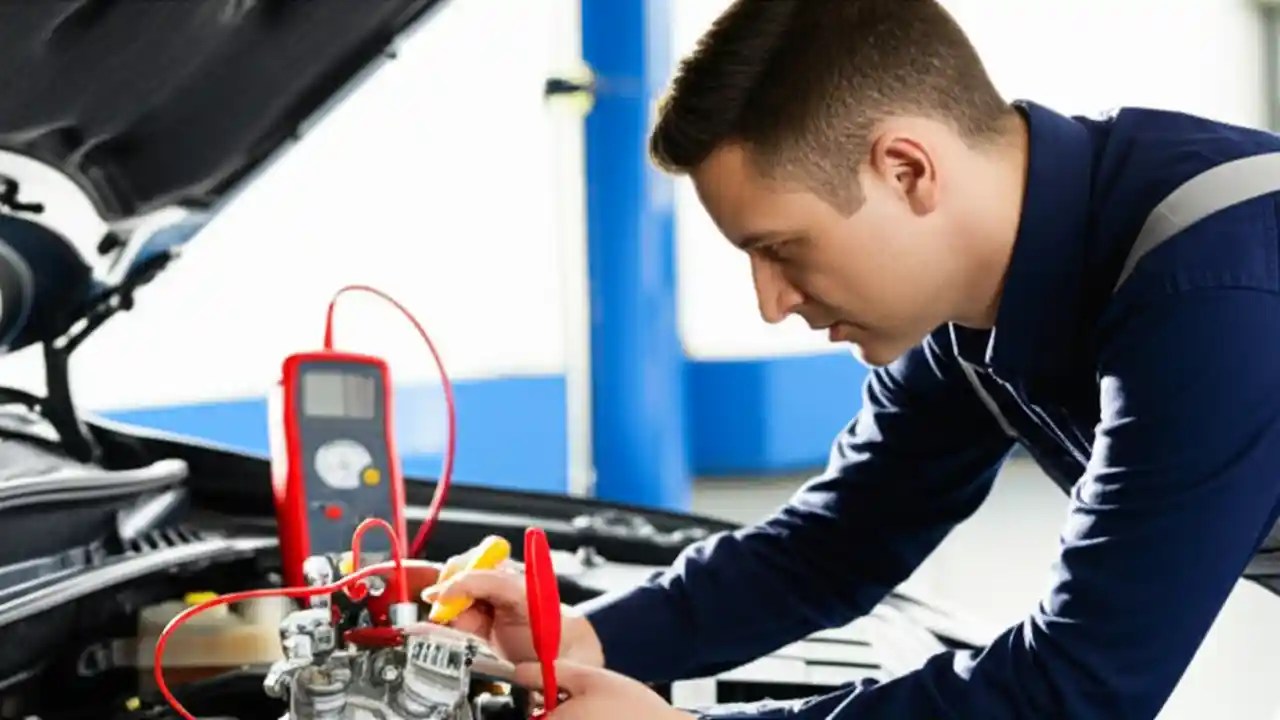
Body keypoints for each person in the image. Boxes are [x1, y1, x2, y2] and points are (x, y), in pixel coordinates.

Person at [416, 0, 1280, 717]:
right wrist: (591, 638)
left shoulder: (1210, 290)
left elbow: (1078, 689)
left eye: (784, 248)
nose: (772, 300)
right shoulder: (974, 310)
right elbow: (834, 544)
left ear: (906, 171)